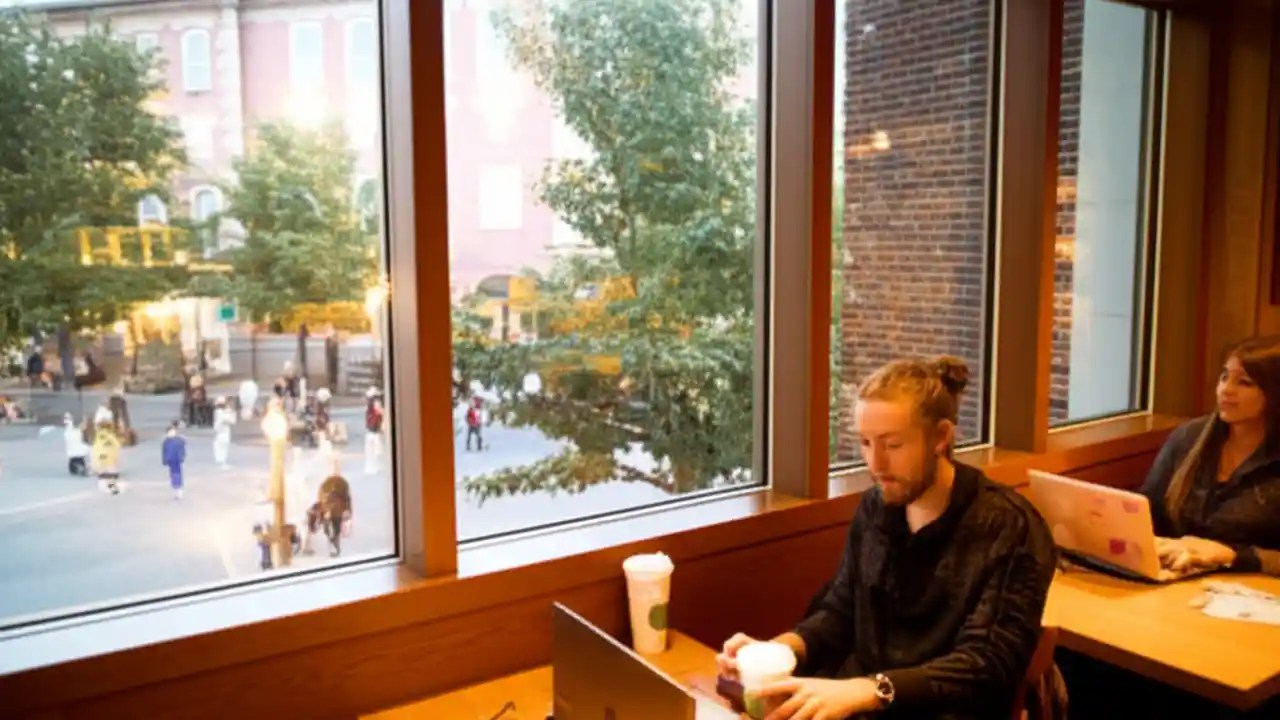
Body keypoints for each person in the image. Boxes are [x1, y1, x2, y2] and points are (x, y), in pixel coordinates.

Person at [716, 357, 1056, 720]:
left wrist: (870, 689)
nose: (875, 463)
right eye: (865, 442)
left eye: (892, 445)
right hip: (855, 705)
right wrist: (780, 652)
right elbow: (840, 611)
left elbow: (985, 666)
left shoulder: (1008, 527)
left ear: (941, 437)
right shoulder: (877, 507)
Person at [1139, 335, 1280, 577]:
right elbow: (1147, 513)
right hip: (1177, 579)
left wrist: (1233, 556)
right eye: (1224, 377)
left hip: (1255, 593)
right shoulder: (1189, 437)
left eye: (1244, 383)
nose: (1226, 390)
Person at [92, 420, 122, 495]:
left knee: (104, 476)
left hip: (101, 462)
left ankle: (109, 486)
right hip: (110, 462)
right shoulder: (111, 437)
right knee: (111, 474)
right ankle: (112, 486)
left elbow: (96, 449)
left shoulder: (98, 437)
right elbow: (117, 446)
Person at [162, 421, 187, 500]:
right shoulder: (166, 442)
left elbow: (182, 449)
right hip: (172, 460)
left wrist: (182, 456)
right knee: (173, 475)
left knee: (177, 474)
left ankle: (179, 490)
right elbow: (164, 451)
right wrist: (165, 460)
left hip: (177, 459)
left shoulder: (178, 440)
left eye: (173, 432)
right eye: (170, 432)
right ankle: (176, 490)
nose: (172, 433)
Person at [364, 388, 385, 475]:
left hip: (372, 431)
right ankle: (375, 467)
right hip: (375, 432)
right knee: (376, 451)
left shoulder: (369, 408)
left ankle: (373, 468)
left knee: (374, 451)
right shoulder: (373, 407)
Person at [213, 396, 236, 469]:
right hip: (222, 433)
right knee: (222, 448)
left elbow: (232, 420)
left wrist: (230, 411)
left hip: (222, 432)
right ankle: (222, 463)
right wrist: (231, 411)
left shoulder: (220, 412)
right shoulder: (220, 412)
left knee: (222, 448)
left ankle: (221, 462)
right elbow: (230, 420)